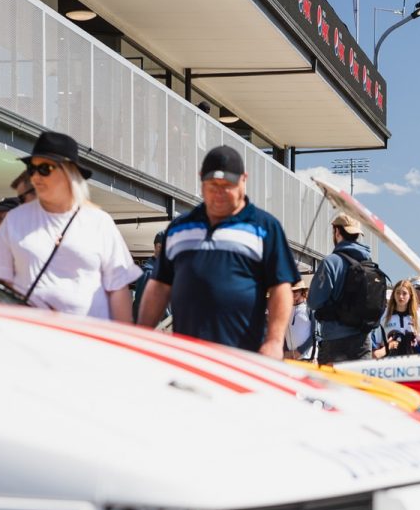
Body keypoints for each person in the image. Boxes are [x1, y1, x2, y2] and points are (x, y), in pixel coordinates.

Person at [139, 144, 297, 356]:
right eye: (213, 185)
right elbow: (159, 286)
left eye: (227, 185)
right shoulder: (178, 229)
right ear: (201, 180)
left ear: (244, 180)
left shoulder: (265, 228)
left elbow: (281, 289)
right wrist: (141, 334)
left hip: (243, 356)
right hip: (186, 354)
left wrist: (274, 342)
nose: (220, 193)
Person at [0, 131, 139, 321]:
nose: (36, 177)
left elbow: (118, 287)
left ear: (69, 172)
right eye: (32, 169)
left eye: (45, 168)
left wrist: (120, 340)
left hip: (89, 340)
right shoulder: (15, 219)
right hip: (31, 335)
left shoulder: (99, 222)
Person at [308, 212, 379, 364]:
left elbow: (313, 302)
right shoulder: (368, 262)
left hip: (335, 340)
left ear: (337, 232)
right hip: (363, 341)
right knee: (359, 387)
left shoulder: (331, 262)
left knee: (330, 387)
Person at [381, 279, 420, 356]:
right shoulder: (385, 315)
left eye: (404, 293)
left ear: (410, 295)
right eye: (398, 293)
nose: (400, 296)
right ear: (394, 295)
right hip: (389, 362)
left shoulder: (416, 315)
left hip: (412, 361)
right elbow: (378, 342)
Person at [286, 272, 317, 361]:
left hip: (307, 358)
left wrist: (299, 351)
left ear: (302, 291)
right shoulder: (287, 309)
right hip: (290, 358)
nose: (293, 293)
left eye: (296, 290)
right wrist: (285, 351)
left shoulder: (310, 307)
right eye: (291, 290)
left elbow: (316, 334)